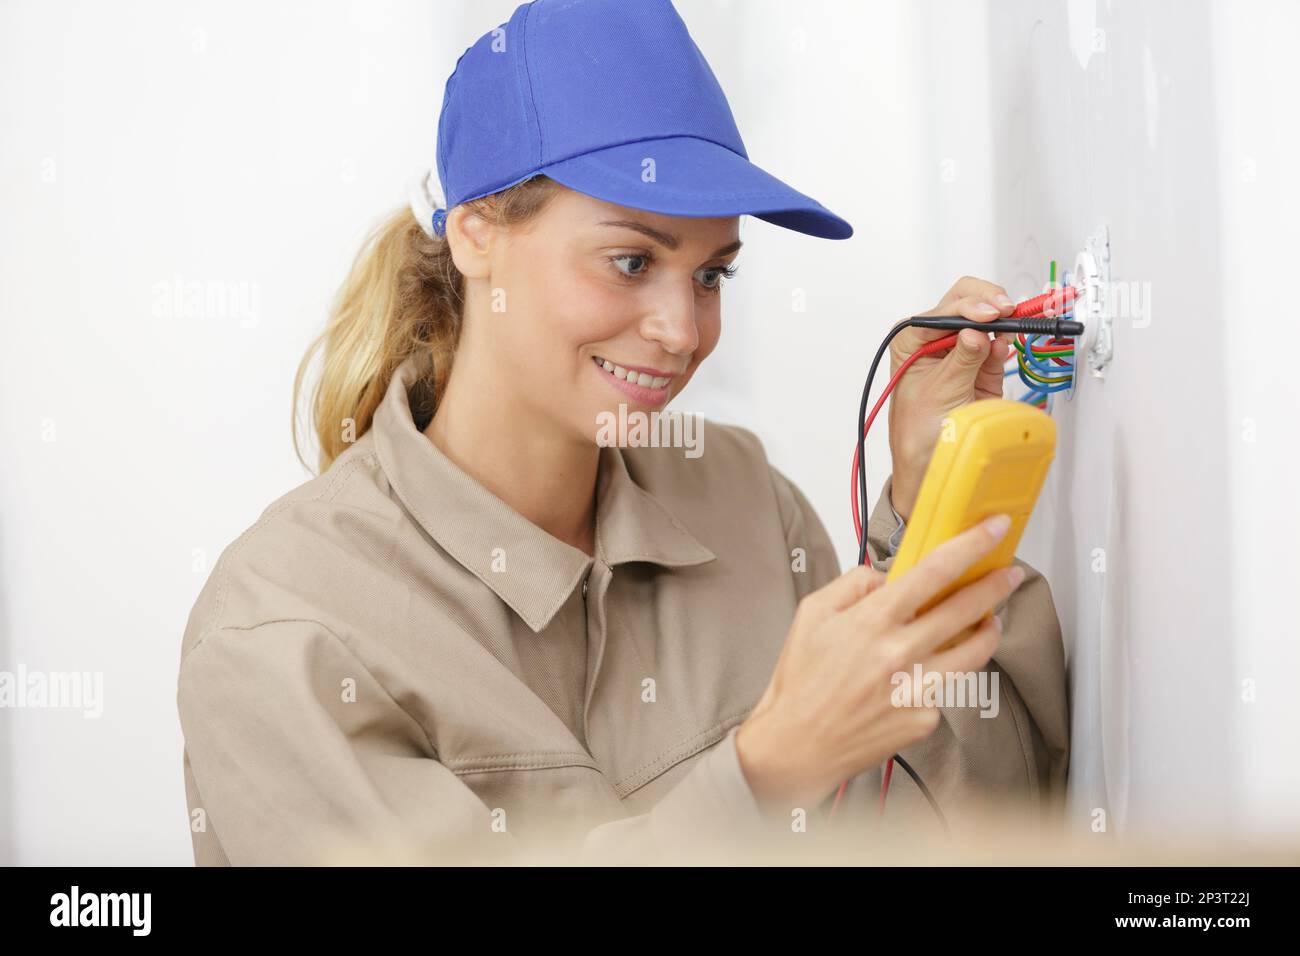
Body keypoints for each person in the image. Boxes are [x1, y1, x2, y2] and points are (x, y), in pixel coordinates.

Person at [177, 0, 1068, 865]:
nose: (683, 332)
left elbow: (963, 831)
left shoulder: (747, 499)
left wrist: (927, 512)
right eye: (632, 261)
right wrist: (762, 777)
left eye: (711, 276)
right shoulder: (283, 629)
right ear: (477, 233)